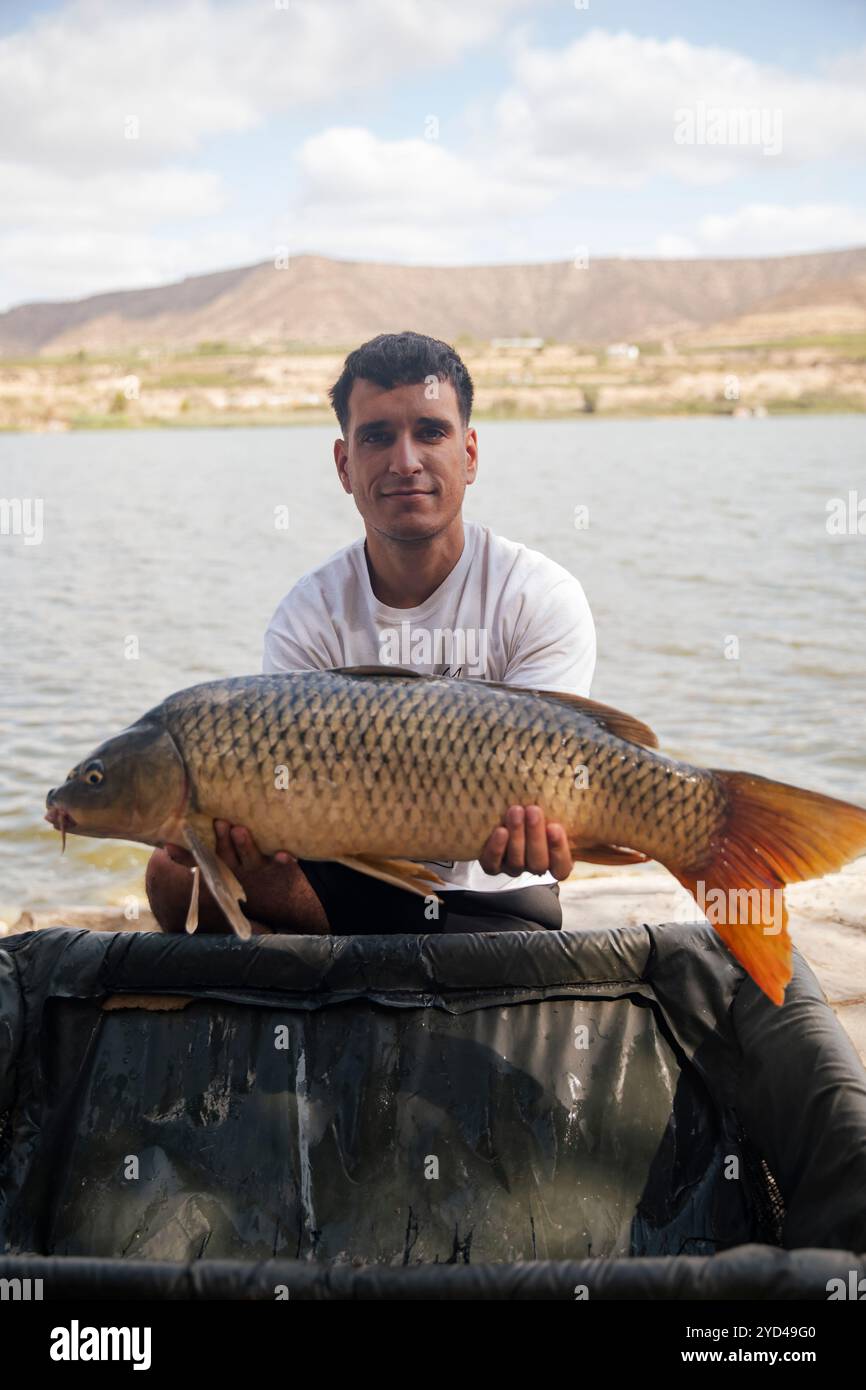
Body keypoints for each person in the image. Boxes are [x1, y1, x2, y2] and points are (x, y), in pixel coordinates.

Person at [146, 332, 596, 936]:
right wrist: (238, 839)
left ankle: (346, 966)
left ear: (469, 454)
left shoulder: (539, 594)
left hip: (491, 893)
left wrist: (553, 830)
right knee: (173, 875)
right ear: (344, 464)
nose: (405, 462)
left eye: (430, 433)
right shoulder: (308, 614)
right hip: (351, 880)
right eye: (377, 437)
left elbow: (559, 778)